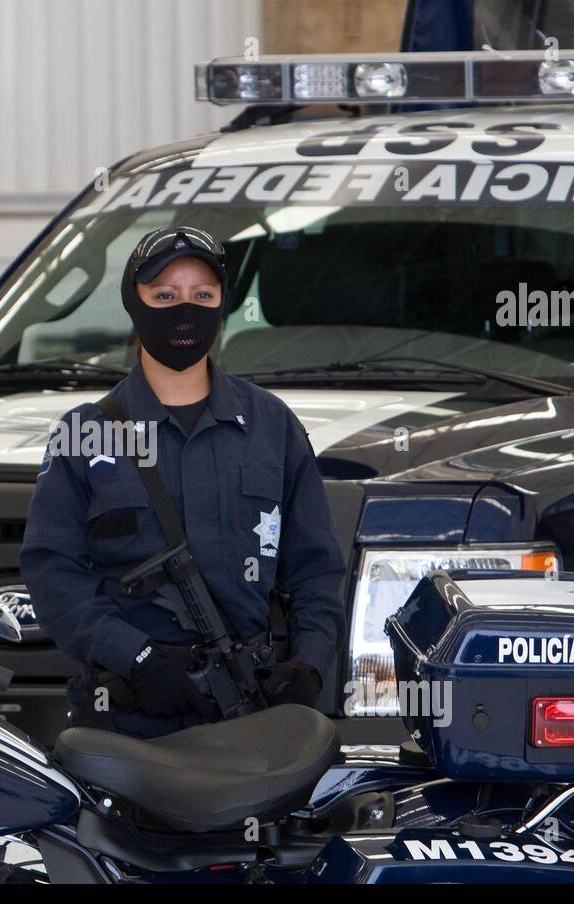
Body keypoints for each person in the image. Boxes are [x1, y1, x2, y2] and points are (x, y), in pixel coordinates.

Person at [20, 226, 345, 738]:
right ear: (135, 302)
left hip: (253, 712)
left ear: (221, 306)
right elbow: (53, 573)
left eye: (203, 296)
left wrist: (308, 667)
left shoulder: (272, 425)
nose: (185, 310)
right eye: (165, 296)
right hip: (128, 725)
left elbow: (316, 570)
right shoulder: (87, 433)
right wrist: (138, 657)